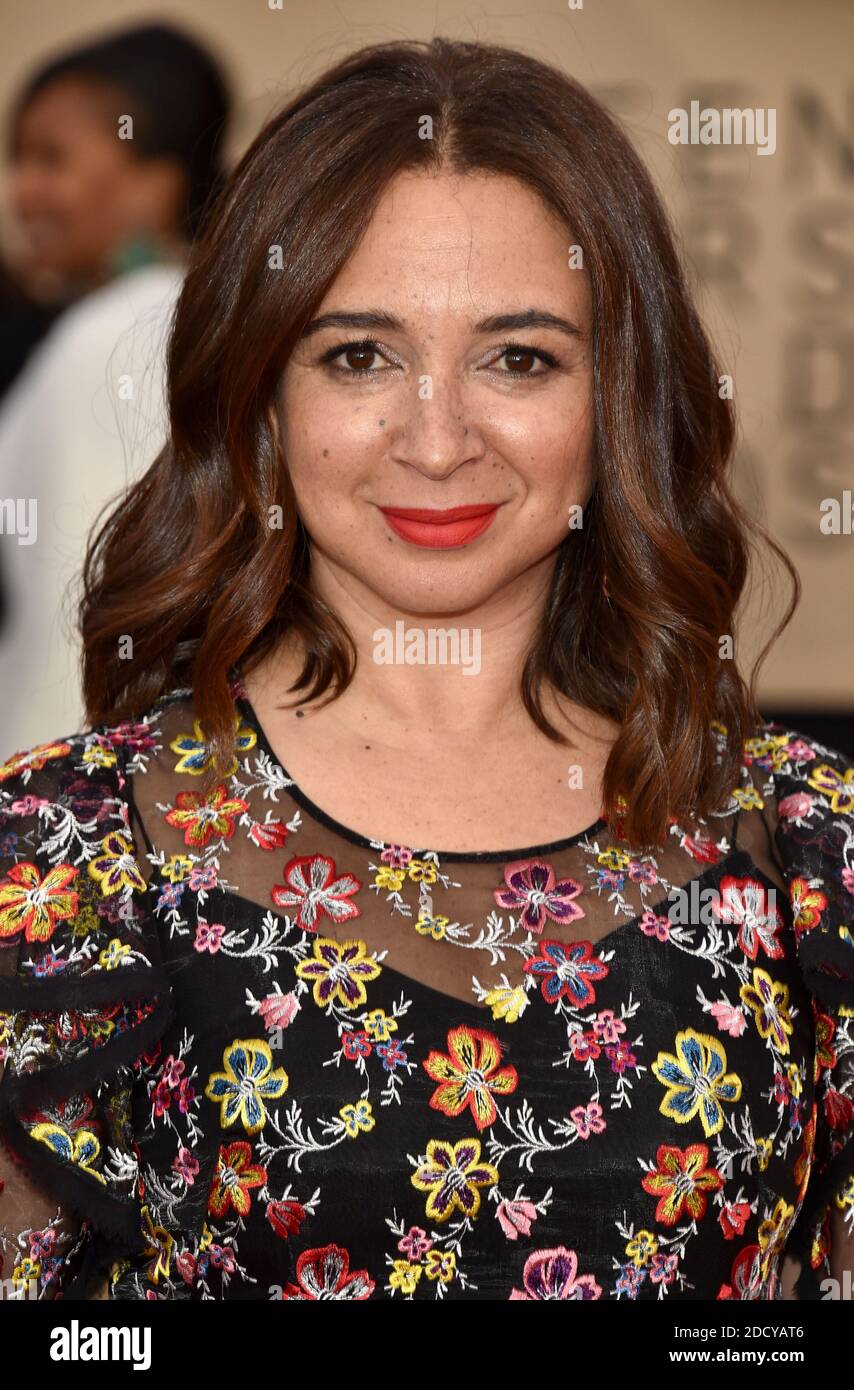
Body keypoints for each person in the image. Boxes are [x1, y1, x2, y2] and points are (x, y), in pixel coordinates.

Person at [0, 37, 851, 1303]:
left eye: (519, 357)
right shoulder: (56, 856)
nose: (437, 438)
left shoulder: (807, 849)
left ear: (615, 396)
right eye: (358, 355)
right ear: (260, 395)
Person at [0, 23, 230, 746]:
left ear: (156, 180)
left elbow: (87, 613)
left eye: (52, 159)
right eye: (17, 160)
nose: (24, 191)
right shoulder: (182, 315)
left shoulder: (125, 331)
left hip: (75, 773)